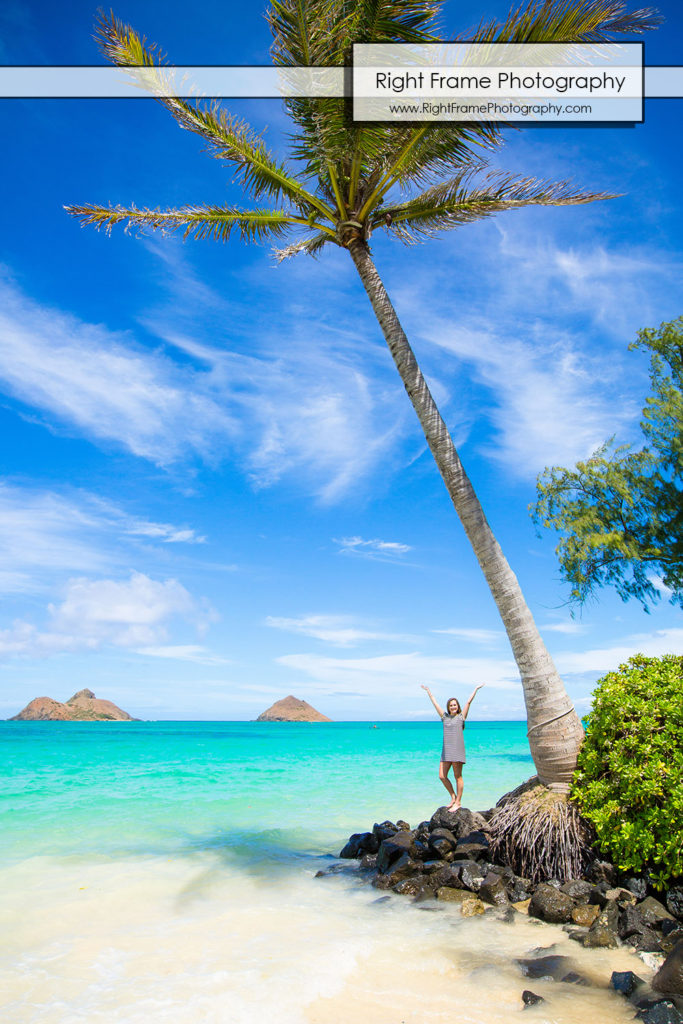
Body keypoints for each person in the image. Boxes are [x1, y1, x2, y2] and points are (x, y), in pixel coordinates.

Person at [420, 683, 485, 810]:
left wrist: (476, 689)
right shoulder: (444, 717)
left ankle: (458, 802)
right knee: (442, 776)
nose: (453, 707)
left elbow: (468, 702)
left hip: (457, 750)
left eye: (455, 705)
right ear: (448, 707)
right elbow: (435, 704)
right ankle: (453, 797)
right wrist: (428, 691)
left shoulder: (461, 717)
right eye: (451, 705)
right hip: (446, 751)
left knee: (457, 776)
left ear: (458, 706)